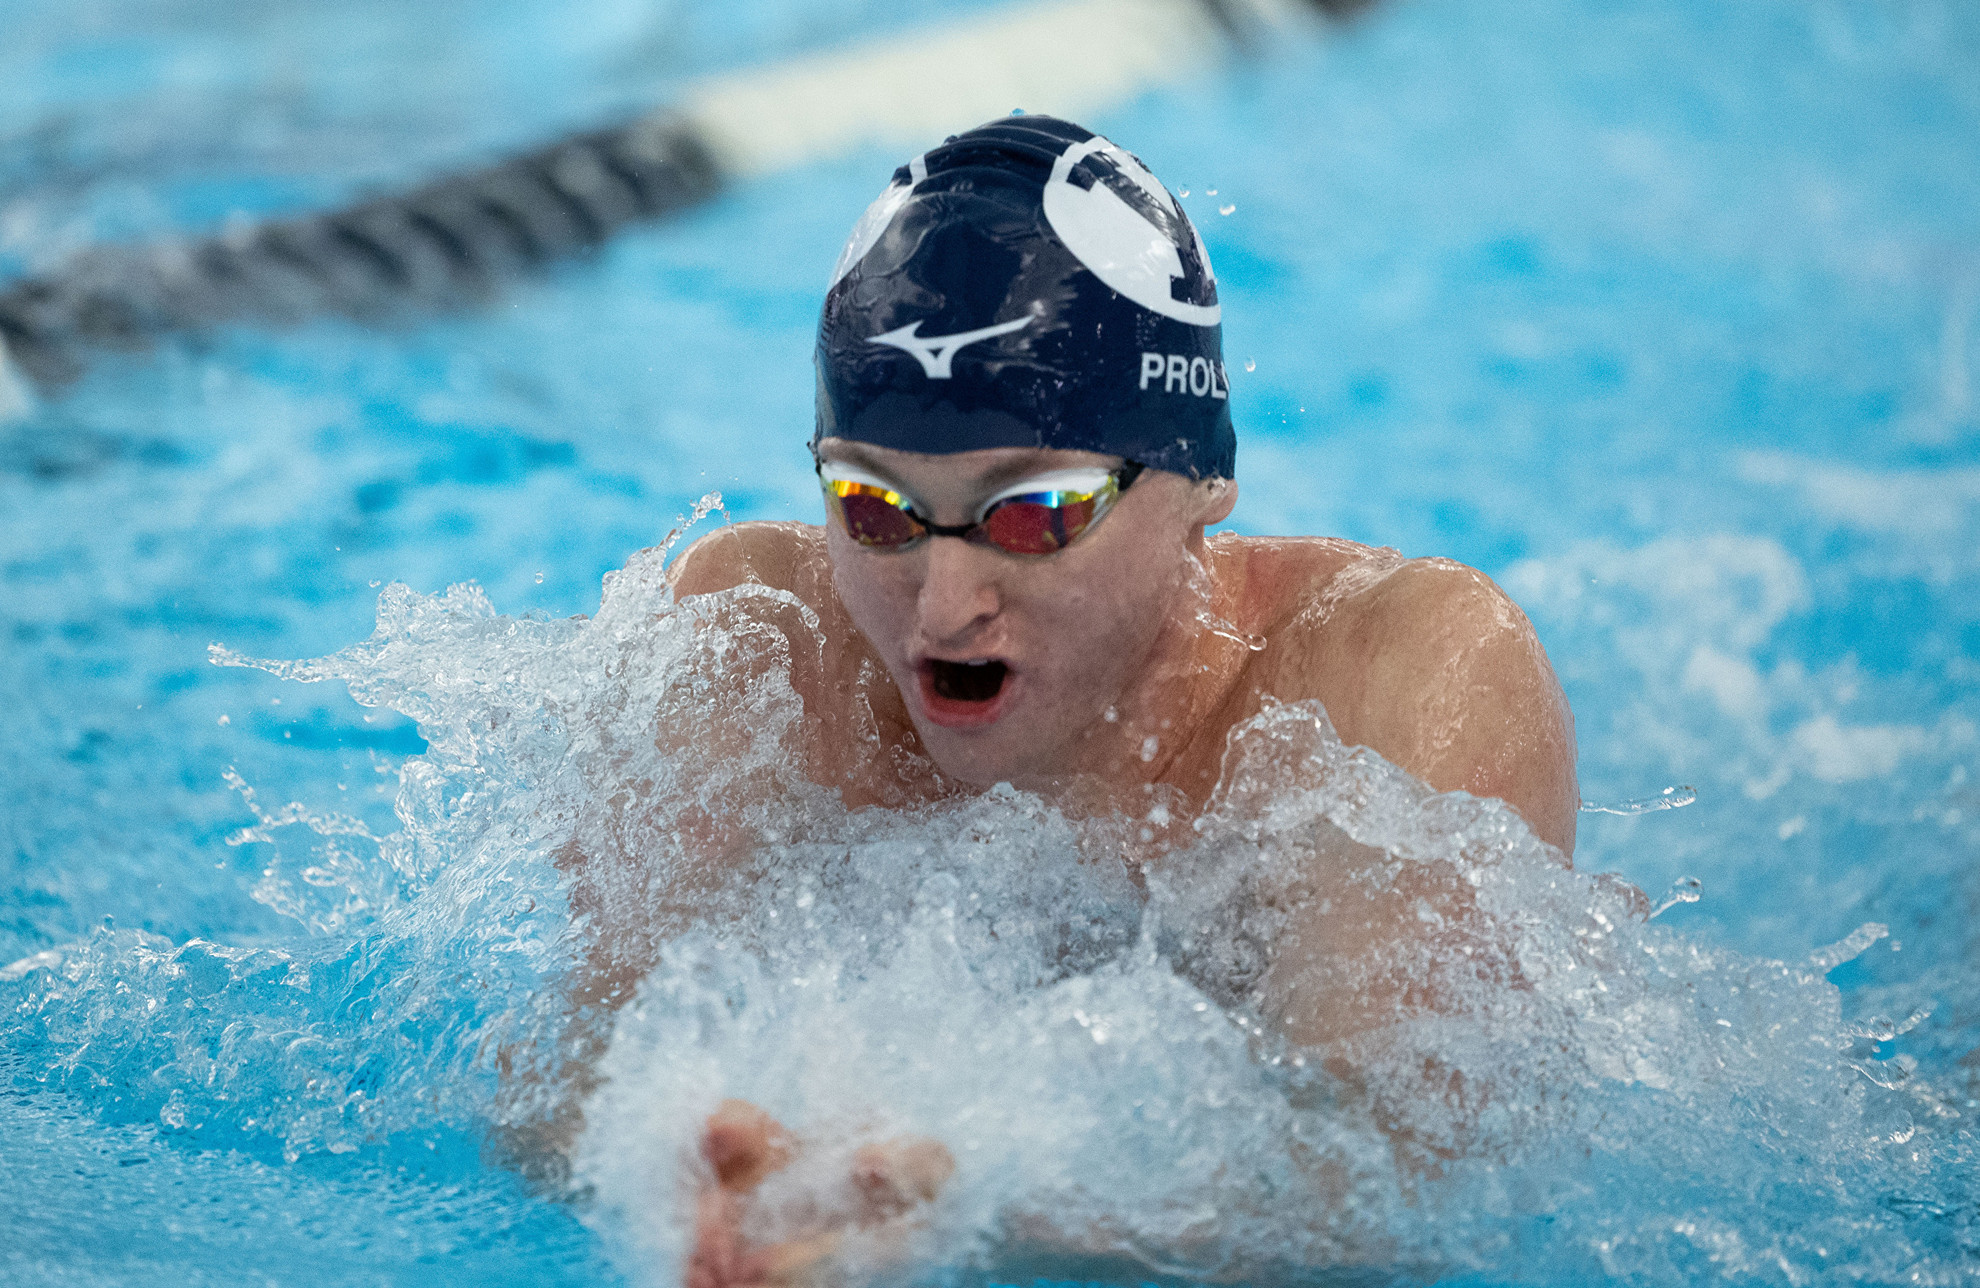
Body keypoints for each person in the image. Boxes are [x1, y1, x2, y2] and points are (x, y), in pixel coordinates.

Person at [596, 114, 1576, 1285]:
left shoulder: (1391, 676)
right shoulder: (765, 647)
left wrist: (981, 1207)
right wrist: (703, 1173)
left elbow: (1383, 1192)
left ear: (1200, 479)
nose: (944, 607)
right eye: (874, 507)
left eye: (1034, 514)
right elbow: (570, 1076)